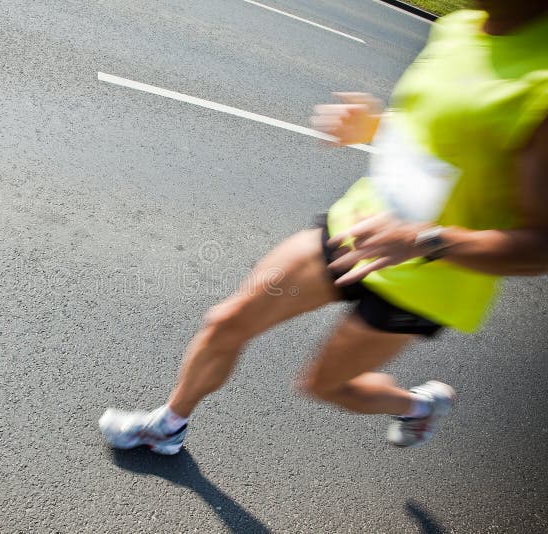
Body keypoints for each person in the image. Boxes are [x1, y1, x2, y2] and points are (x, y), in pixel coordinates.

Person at [99, 0, 548, 454]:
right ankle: (168, 426)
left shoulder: (541, 82)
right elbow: (438, 130)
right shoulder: (458, 26)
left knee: (324, 385)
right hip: (355, 227)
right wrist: (376, 126)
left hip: (428, 279)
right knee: (226, 322)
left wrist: (423, 239)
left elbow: (541, 244)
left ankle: (418, 406)